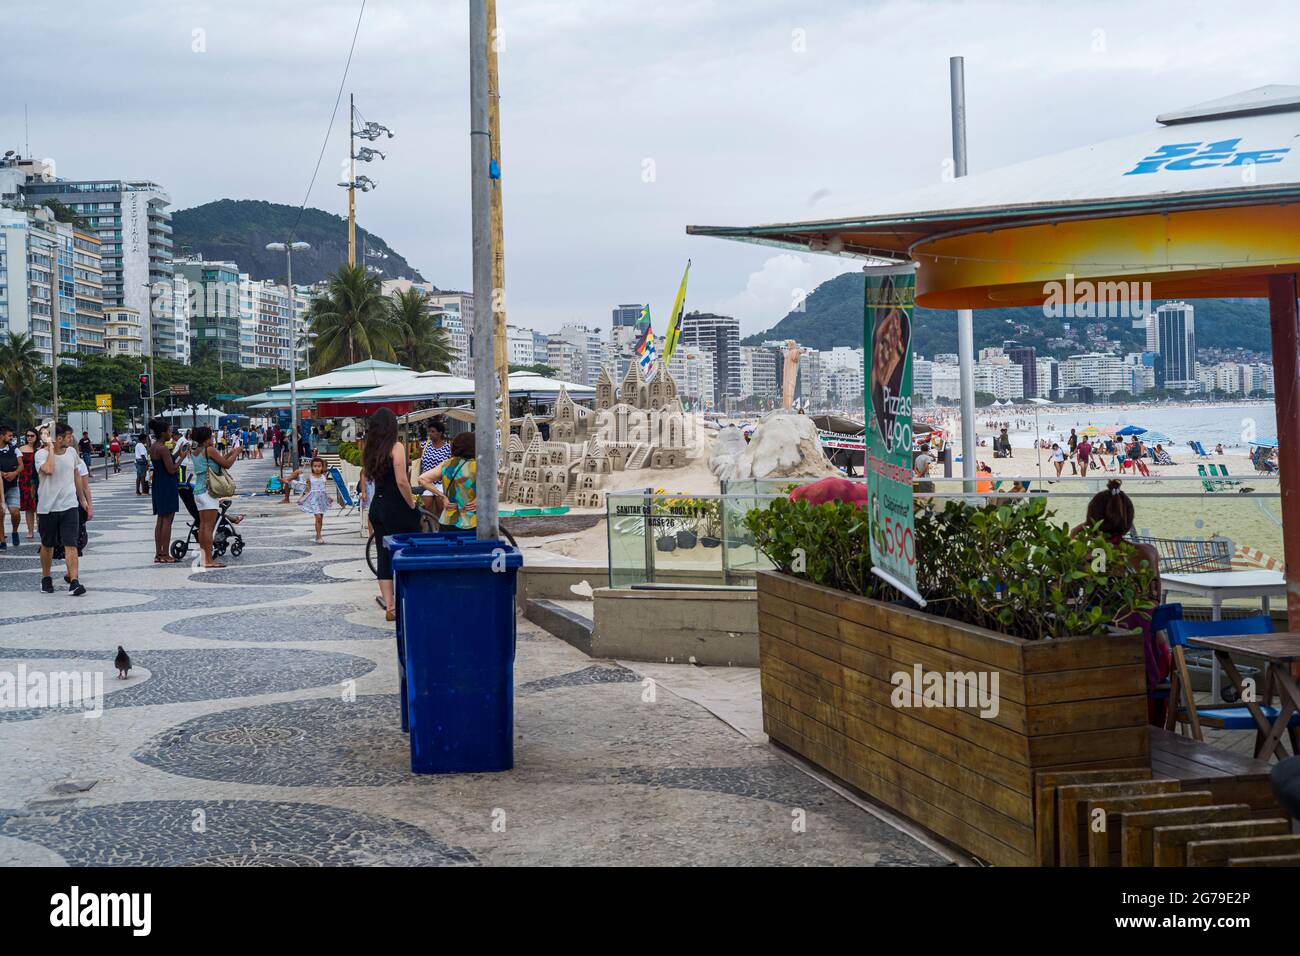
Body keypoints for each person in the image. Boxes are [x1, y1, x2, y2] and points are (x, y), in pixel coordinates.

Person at [1072, 479, 1167, 721]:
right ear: (1128, 520)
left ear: (1091, 521)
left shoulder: (1088, 556)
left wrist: (1074, 538)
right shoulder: (1147, 553)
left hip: (1101, 658)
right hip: (1149, 655)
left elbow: (1067, 595)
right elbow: (1155, 600)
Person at [363, 407, 421, 622]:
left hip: (377, 507)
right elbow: (402, 481)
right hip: (395, 505)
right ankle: (411, 597)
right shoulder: (396, 447)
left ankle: (390, 607)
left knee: (384, 554)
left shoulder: (370, 449)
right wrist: (412, 504)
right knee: (409, 550)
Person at [36, 423, 91, 596]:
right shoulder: (41, 454)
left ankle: (74, 582)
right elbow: (49, 469)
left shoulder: (72, 452)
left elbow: (76, 474)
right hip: (48, 507)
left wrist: (82, 499)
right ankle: (46, 578)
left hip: (69, 505)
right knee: (47, 545)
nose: (71, 439)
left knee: (71, 544)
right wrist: (51, 448)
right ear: (58, 438)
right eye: (68, 436)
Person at [189, 425, 240, 569]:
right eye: (211, 436)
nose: (212, 439)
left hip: (199, 491)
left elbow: (218, 462)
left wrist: (230, 453)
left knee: (203, 527)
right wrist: (236, 453)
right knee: (209, 528)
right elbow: (227, 465)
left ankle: (204, 558)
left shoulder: (196, 451)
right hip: (208, 491)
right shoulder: (209, 450)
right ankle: (208, 560)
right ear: (206, 439)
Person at [421, 431, 477, 532]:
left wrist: (442, 497)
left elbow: (422, 479)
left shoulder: (447, 464)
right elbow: (496, 483)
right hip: (472, 520)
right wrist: (479, 499)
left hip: (448, 519)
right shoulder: (477, 465)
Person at [150, 418, 188, 563]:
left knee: (160, 519)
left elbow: (167, 460)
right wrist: (182, 458)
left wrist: (178, 452)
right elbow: (171, 469)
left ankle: (158, 553)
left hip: (158, 483)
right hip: (167, 484)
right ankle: (165, 554)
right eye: (169, 431)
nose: (171, 434)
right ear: (163, 433)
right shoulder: (163, 448)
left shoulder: (154, 447)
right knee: (167, 520)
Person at [298, 456, 334, 543]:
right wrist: (301, 498)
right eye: (315, 466)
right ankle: (318, 536)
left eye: (319, 466)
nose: (317, 468)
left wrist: (329, 497)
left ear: (322, 467)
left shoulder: (323, 477)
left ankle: (318, 534)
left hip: (322, 499)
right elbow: (307, 489)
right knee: (318, 517)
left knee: (320, 518)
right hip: (313, 499)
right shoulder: (310, 477)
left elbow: (323, 489)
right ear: (312, 467)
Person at [419, 421, 452, 511]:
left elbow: (450, 465)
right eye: (429, 431)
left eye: (433, 431)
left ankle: (439, 522)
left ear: (440, 433)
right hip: (426, 481)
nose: (430, 434)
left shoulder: (448, 448)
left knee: (441, 510)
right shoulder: (424, 445)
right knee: (425, 510)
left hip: (441, 482)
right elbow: (420, 462)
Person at [0, 425, 20, 550]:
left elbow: (21, 465)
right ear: (2, 436)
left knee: (15, 512)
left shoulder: (14, 449)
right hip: (0, 486)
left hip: (12, 485)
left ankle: (14, 531)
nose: (11, 438)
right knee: (0, 514)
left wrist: (14, 473)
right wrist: (2, 474)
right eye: (9, 435)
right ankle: (2, 540)